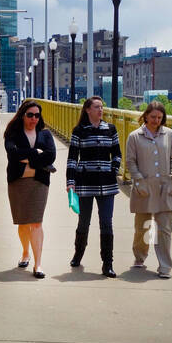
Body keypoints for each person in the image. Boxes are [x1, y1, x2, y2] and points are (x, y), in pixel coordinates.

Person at [66, 95, 122, 277]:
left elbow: (117, 154)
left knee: (106, 223)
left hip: (107, 183)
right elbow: (73, 158)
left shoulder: (111, 129)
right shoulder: (79, 131)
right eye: (97, 107)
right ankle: (78, 254)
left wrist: (113, 169)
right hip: (85, 182)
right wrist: (70, 182)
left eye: (102, 107)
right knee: (84, 222)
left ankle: (108, 264)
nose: (100, 110)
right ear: (88, 110)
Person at [125, 100, 172, 278]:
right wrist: (138, 179)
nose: (156, 120)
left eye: (159, 117)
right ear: (145, 116)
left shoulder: (169, 135)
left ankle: (165, 266)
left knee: (164, 229)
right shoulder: (135, 136)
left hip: (165, 187)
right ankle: (140, 256)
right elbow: (130, 161)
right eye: (153, 117)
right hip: (144, 186)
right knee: (143, 227)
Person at [3, 99, 56, 278]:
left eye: (37, 115)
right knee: (23, 222)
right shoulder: (13, 133)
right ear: (23, 115)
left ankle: (38, 264)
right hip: (18, 182)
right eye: (30, 115)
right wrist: (36, 154)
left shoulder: (45, 135)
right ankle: (25, 252)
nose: (34, 118)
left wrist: (26, 157)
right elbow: (12, 153)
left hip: (39, 182)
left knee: (36, 222)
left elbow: (50, 157)